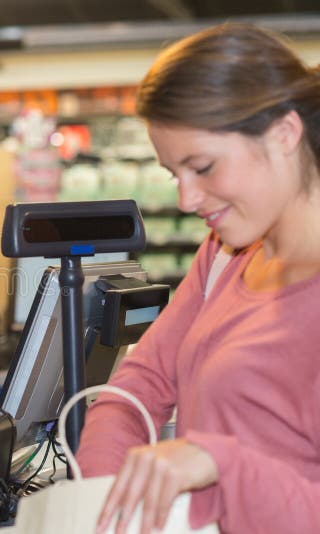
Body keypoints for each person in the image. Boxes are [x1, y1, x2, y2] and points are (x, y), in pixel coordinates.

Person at [75, 23, 320, 534]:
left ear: (284, 133)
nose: (186, 200)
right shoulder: (227, 254)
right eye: (173, 174)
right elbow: (140, 386)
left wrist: (221, 465)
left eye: (203, 167)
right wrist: (102, 503)